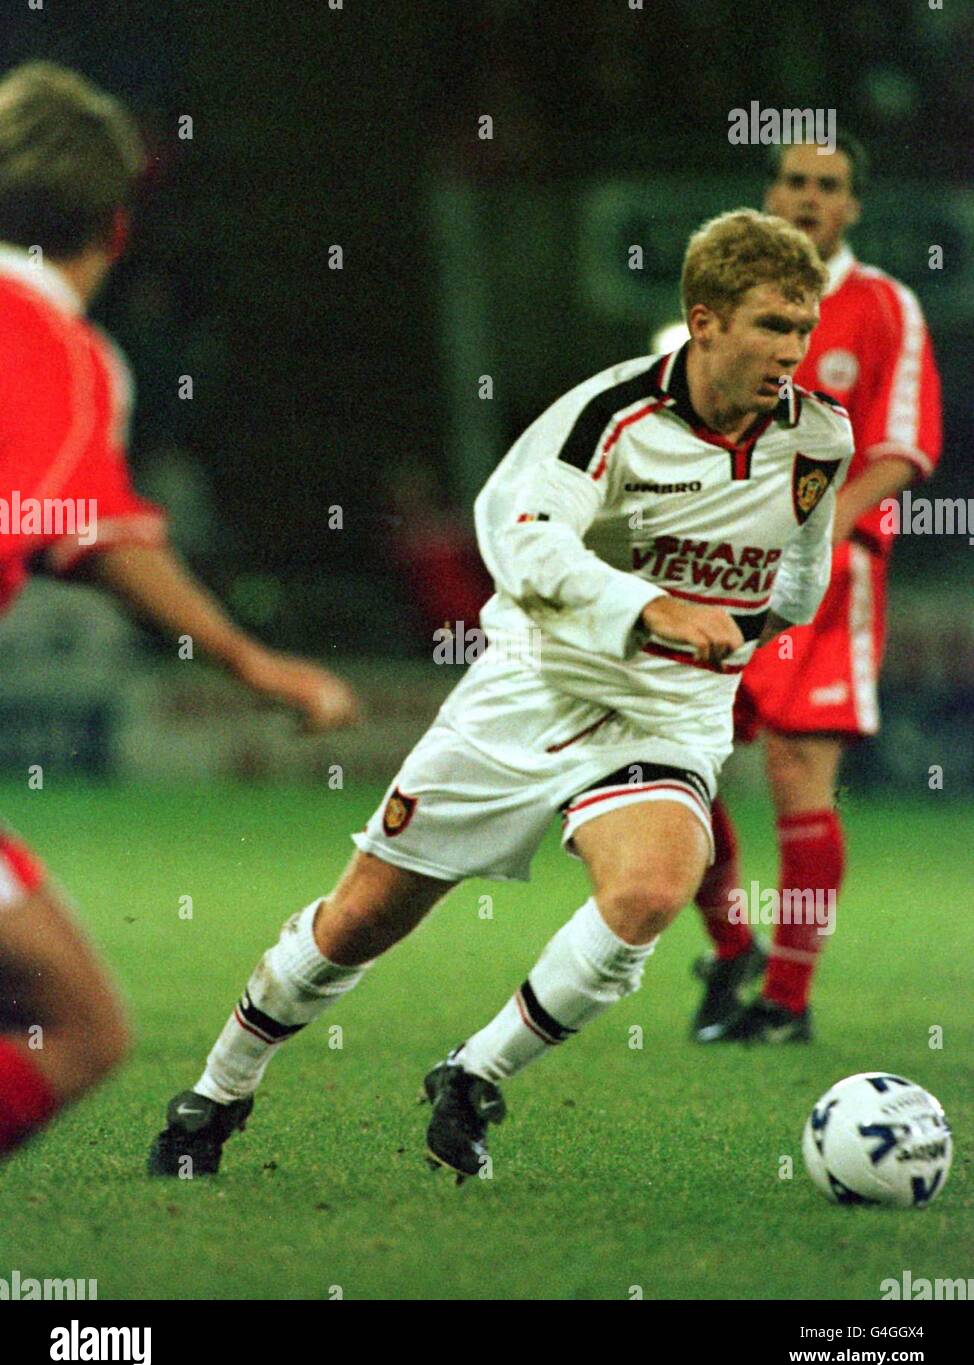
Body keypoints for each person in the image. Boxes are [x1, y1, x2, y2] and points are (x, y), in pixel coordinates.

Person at [149, 208, 852, 1182]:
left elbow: (805, 576)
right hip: (533, 689)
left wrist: (737, 641)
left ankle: (473, 1077)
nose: (793, 349)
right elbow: (515, 534)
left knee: (651, 887)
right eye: (772, 324)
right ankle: (217, 1092)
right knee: (362, 919)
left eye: (803, 328)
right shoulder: (607, 417)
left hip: (665, 712)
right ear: (704, 320)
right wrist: (645, 606)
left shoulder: (816, 437)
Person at [0, 62, 358, 1162]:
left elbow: (85, 528)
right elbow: (101, 534)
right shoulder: (58, 351)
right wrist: (259, 664)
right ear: (117, 222)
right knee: (79, 1029)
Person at [690, 137, 942, 1043]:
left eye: (827, 186)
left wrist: (819, 533)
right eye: (793, 181)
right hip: (712, 573)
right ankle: (730, 946)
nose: (807, 197)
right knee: (671, 763)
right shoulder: (718, 305)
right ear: (770, 194)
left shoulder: (883, 306)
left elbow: (904, 446)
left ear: (853, 208)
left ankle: (785, 1002)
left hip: (830, 583)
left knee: (800, 777)